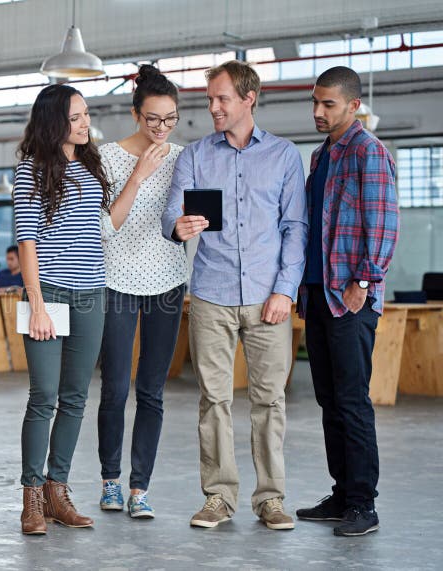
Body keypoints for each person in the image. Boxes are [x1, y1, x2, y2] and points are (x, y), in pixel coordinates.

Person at [162, 60, 307, 531]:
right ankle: (218, 497)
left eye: (222, 98)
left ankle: (271, 499)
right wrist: (177, 226)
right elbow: (172, 212)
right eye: (209, 99)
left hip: (269, 297)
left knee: (269, 401)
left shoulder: (284, 156)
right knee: (214, 399)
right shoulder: (196, 155)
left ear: (249, 99)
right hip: (211, 293)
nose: (213, 108)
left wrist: (285, 291)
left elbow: (295, 230)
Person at [296, 66, 399, 537]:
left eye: (329, 104)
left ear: (353, 105)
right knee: (328, 399)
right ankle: (341, 495)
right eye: (315, 102)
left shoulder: (367, 152)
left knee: (353, 401)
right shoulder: (321, 157)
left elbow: (382, 223)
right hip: (318, 295)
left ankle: (363, 503)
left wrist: (364, 280)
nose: (318, 112)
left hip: (350, 297)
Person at [14, 83, 109, 535]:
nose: (85, 123)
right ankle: (31, 497)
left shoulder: (91, 166)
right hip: (48, 292)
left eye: (86, 114)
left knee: (75, 398)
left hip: (92, 293)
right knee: (44, 397)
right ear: (55, 123)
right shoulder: (31, 169)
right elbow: (27, 238)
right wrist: (36, 304)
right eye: (76, 117)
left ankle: (58, 492)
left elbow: (102, 227)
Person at [97, 64, 188, 519]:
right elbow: (105, 227)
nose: (162, 128)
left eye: (170, 119)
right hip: (116, 282)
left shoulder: (183, 156)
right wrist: (139, 173)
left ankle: (139, 489)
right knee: (115, 387)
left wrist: (191, 226)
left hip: (168, 283)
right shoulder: (107, 156)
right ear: (136, 114)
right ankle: (110, 481)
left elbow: (185, 220)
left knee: (152, 390)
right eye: (153, 119)